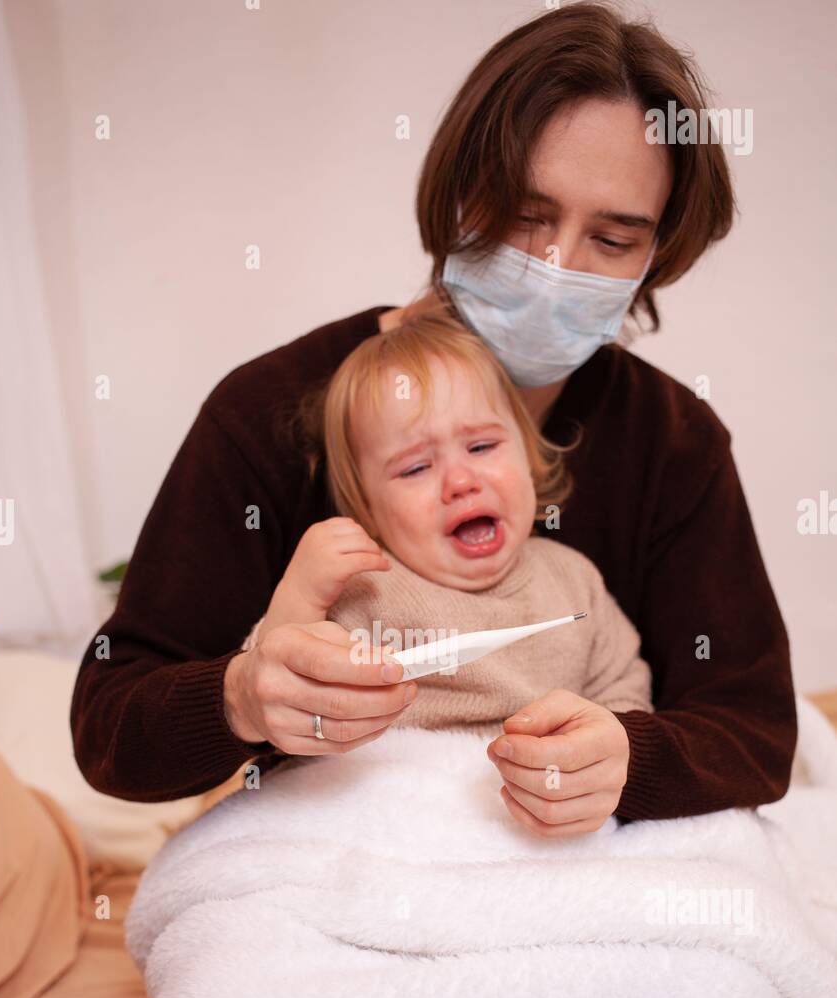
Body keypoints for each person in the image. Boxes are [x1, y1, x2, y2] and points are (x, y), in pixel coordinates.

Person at [70, 2, 796, 829]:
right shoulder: (268, 413)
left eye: (613, 239)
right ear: (458, 193)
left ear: (658, 255)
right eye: (526, 214)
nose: (556, 264)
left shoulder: (673, 443)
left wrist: (631, 760)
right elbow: (110, 728)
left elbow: (756, 731)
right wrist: (239, 697)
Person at [243, 310, 652, 834]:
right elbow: (281, 695)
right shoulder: (362, 588)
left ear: (529, 457)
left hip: (525, 817)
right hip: (380, 828)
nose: (460, 481)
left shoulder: (575, 581)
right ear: (366, 509)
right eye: (415, 468)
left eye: (482, 447)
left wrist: (597, 750)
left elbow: (624, 691)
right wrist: (298, 596)